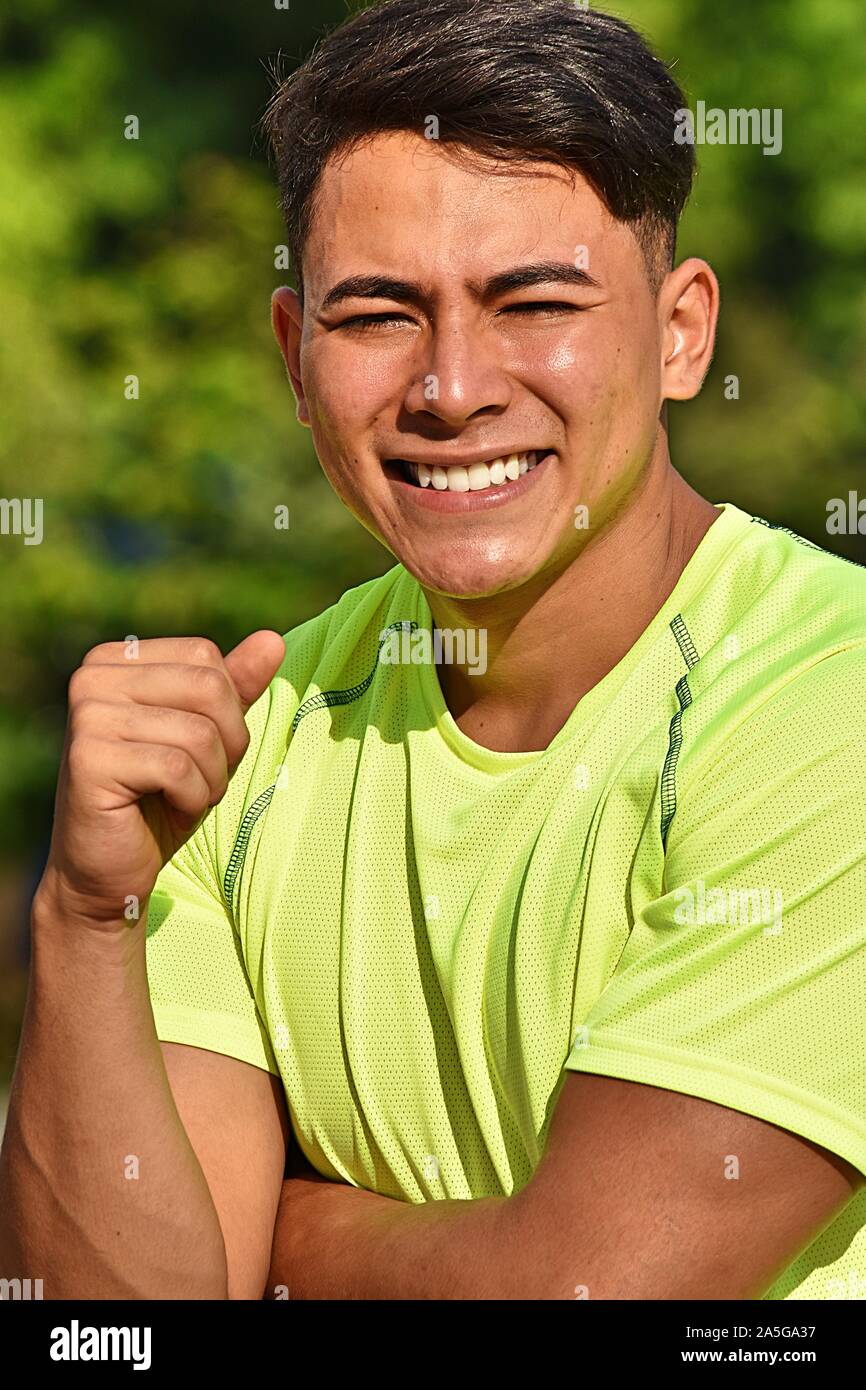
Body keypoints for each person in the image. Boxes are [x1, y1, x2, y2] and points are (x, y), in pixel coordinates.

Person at [1, 0, 864, 1301]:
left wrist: (285, 1240)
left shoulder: (828, 704)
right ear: (297, 361)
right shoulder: (235, 745)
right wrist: (83, 915)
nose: (452, 386)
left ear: (680, 331)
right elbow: (120, 1333)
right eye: (377, 315)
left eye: (531, 300)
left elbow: (588, 1293)